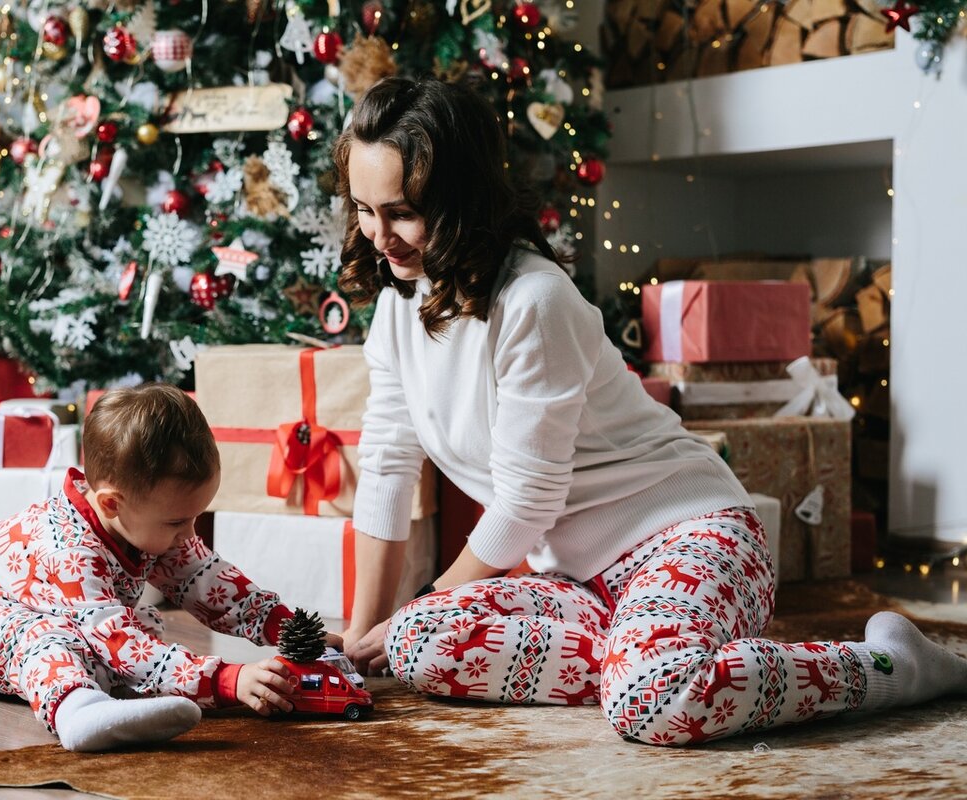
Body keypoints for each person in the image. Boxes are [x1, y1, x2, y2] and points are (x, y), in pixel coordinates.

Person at [334, 76, 967, 745]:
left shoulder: (533, 301)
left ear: (460, 199)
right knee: (411, 641)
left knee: (651, 703)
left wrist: (435, 593)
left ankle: (890, 665)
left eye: (401, 211)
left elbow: (526, 501)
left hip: (693, 538)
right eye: (364, 210)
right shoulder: (398, 306)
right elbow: (387, 466)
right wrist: (356, 638)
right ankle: (647, 652)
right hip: (583, 584)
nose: (380, 236)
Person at [0, 384, 323, 752]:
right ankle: (79, 712)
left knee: (138, 630)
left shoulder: (145, 519)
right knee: (51, 638)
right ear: (112, 503)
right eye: (177, 522)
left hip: (53, 619)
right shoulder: (67, 550)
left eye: (195, 517)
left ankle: (125, 705)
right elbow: (118, 642)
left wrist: (289, 631)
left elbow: (207, 577)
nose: (189, 534)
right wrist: (224, 680)